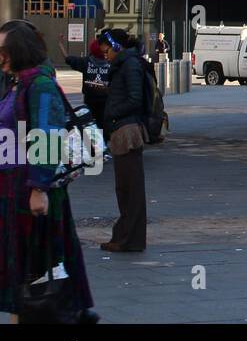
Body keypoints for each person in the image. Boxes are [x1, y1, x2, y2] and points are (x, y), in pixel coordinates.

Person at [0, 23, 96, 322]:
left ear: (21, 49)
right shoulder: (18, 83)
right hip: (16, 189)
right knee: (26, 273)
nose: (0, 56)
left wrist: (39, 188)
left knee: (37, 271)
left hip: (31, 192)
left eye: (4, 49)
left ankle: (62, 313)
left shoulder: (39, 84)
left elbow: (48, 135)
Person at [100, 28, 148, 252]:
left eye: (107, 50)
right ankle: (126, 236)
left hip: (127, 131)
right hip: (121, 129)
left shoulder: (129, 65)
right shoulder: (125, 64)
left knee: (130, 189)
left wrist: (113, 112)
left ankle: (130, 238)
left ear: (117, 47)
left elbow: (135, 99)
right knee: (125, 189)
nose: (104, 54)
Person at [62, 35, 112, 128]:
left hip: (89, 98)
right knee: (103, 123)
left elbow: (68, 59)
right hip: (106, 99)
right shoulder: (111, 63)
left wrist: (60, 44)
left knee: (90, 124)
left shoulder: (86, 62)